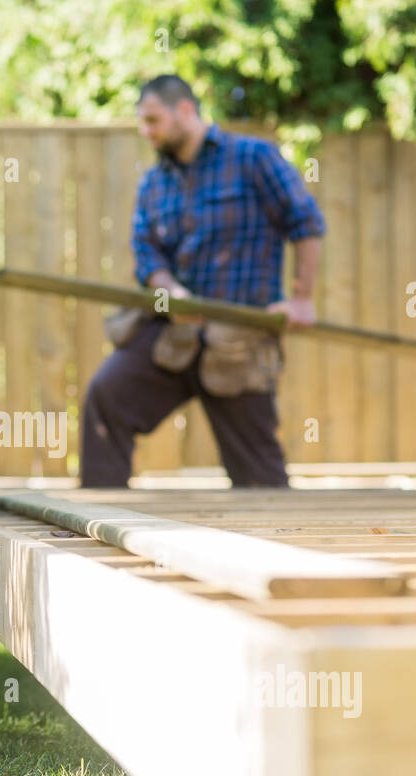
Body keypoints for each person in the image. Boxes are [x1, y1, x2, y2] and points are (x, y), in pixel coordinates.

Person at [80, 74, 326, 488]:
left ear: (185, 111)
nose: (147, 131)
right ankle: (94, 528)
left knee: (260, 479)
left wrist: (302, 298)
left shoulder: (253, 158)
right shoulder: (155, 182)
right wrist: (169, 291)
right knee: (106, 399)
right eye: (142, 122)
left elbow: (306, 221)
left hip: (239, 345)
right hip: (172, 338)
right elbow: (147, 253)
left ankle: (274, 540)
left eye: (153, 120)